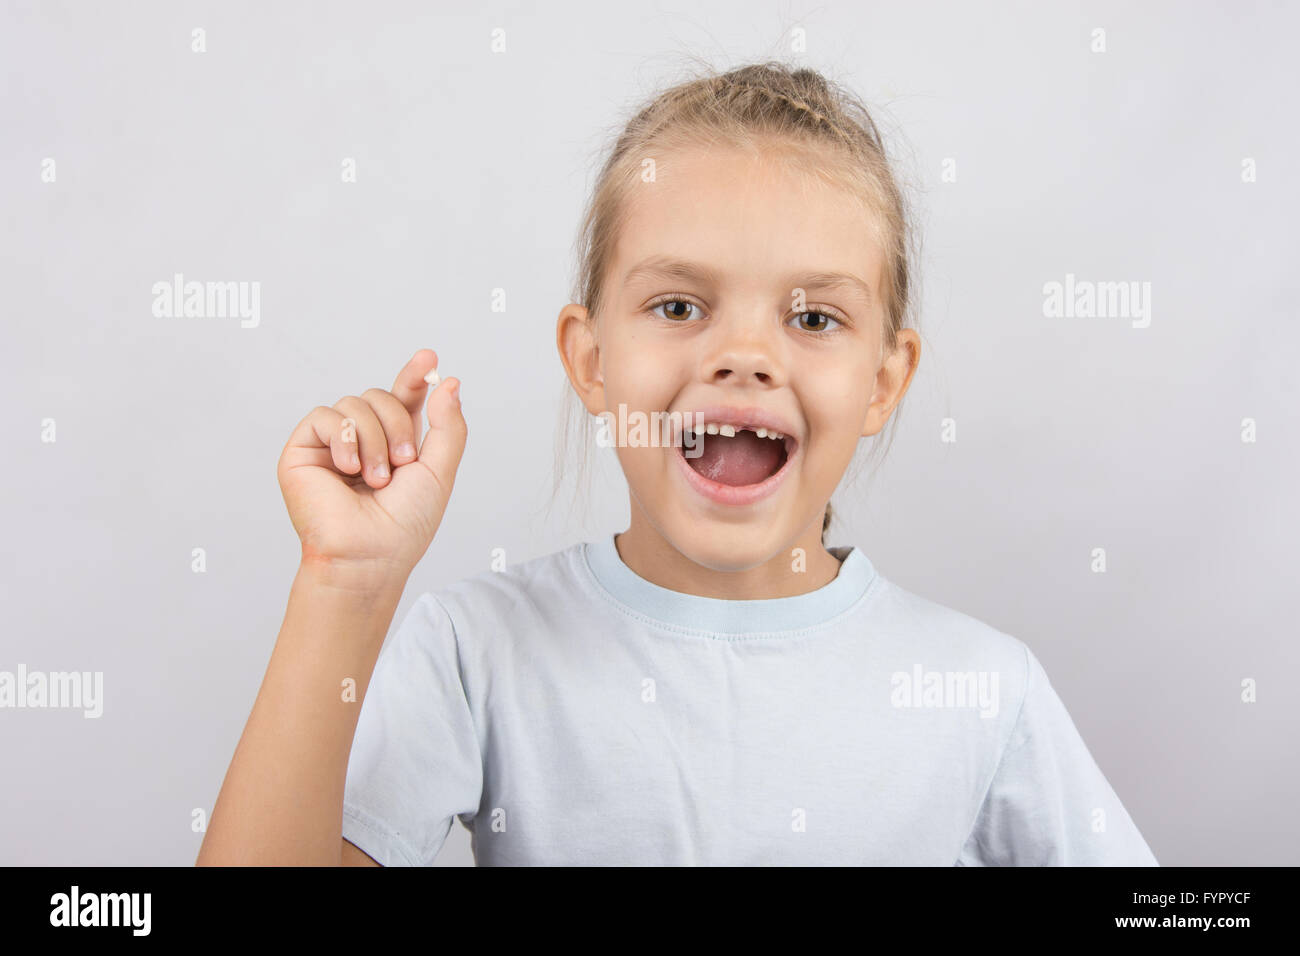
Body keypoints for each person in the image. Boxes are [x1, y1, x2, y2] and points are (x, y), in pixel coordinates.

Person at [197, 61, 1158, 866]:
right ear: (591, 360)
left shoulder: (982, 688)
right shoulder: (476, 650)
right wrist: (347, 585)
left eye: (813, 317)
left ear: (882, 380)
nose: (744, 355)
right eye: (679, 306)